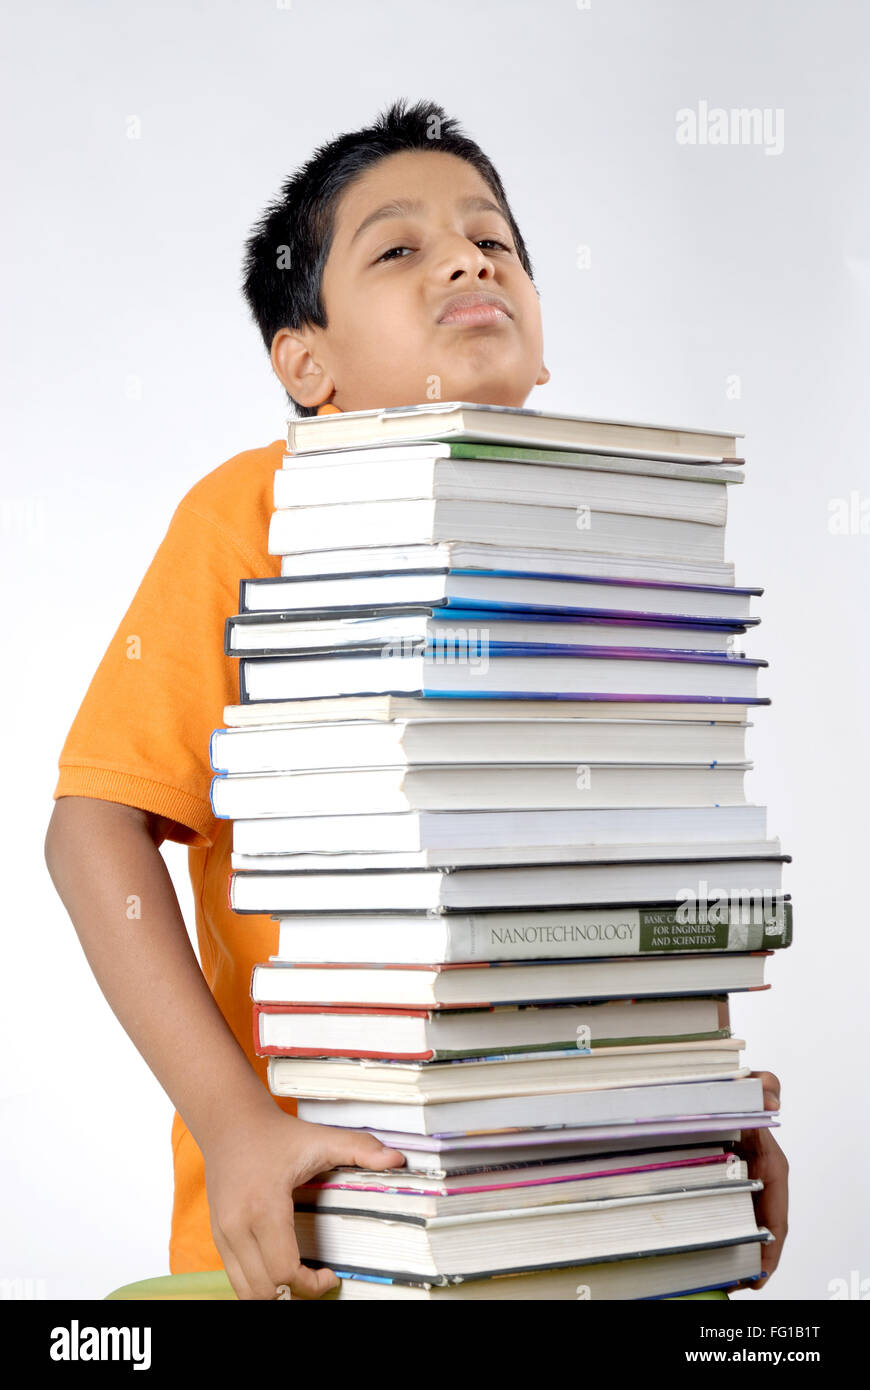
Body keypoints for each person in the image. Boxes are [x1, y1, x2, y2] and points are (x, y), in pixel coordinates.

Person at [44, 97, 788, 1301]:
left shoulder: (620, 533)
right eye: (397, 248)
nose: (466, 257)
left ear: (542, 344)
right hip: (325, 1227)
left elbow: (622, 872)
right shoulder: (255, 512)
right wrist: (233, 1123)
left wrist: (689, 1120)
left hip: (582, 1216)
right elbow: (93, 828)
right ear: (307, 362)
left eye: (494, 240)